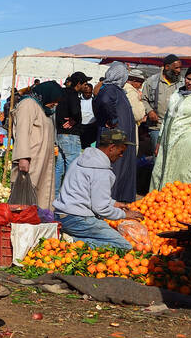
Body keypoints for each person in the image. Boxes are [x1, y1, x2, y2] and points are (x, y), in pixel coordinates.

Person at [54, 127, 144, 251]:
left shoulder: (81, 159)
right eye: (121, 151)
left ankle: (71, 236)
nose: (121, 155)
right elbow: (101, 209)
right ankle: (72, 241)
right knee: (123, 246)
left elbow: (86, 192)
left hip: (61, 215)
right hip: (78, 219)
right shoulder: (102, 172)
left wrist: (114, 203)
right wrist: (124, 214)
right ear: (111, 148)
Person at [10, 80, 61, 210]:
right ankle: (25, 222)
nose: (55, 104)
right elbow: (22, 131)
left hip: (42, 158)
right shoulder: (28, 104)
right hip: (31, 158)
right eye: (54, 100)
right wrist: (23, 157)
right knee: (28, 191)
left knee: (41, 191)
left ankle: (39, 219)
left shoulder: (43, 108)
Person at [92, 63, 138, 203]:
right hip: (115, 138)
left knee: (121, 169)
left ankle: (119, 199)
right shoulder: (110, 89)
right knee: (114, 169)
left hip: (119, 138)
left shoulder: (114, 89)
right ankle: (110, 202)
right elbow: (105, 102)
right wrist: (112, 119)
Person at [54, 71, 92, 197]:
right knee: (72, 165)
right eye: (85, 83)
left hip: (60, 134)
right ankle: (70, 196)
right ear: (79, 83)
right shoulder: (74, 95)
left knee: (59, 165)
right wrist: (75, 119)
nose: (86, 86)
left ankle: (54, 194)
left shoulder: (62, 93)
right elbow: (75, 111)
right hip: (70, 135)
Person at [141, 55, 182, 155]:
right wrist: (150, 111)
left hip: (176, 128)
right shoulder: (152, 81)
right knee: (158, 156)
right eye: (176, 68)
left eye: (180, 68)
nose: (179, 71)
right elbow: (143, 99)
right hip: (157, 127)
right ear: (167, 67)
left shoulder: (182, 83)